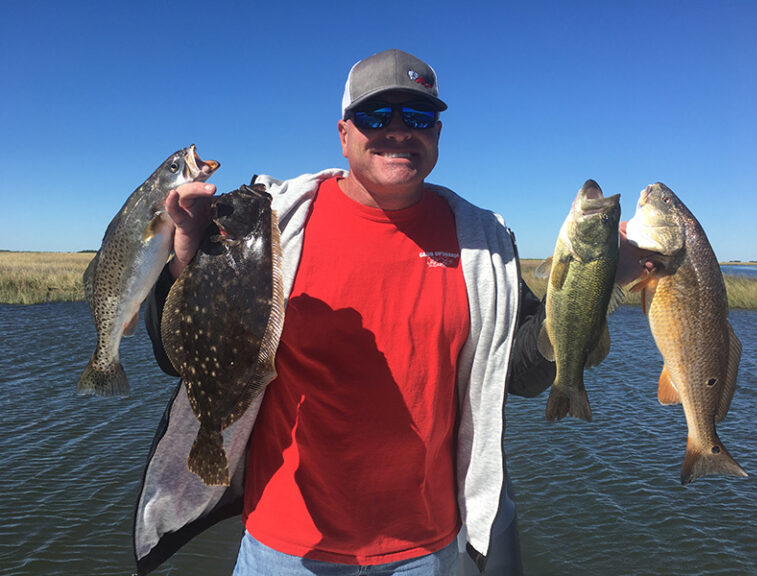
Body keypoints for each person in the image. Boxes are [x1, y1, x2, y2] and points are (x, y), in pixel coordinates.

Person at [135, 49, 631, 576]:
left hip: (428, 547)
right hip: (286, 547)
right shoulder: (272, 226)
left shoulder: (484, 244)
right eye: (376, 116)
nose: (399, 131)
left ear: (437, 133)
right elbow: (182, 359)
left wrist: (600, 287)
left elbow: (523, 372)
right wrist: (182, 267)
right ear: (344, 133)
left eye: (417, 117)